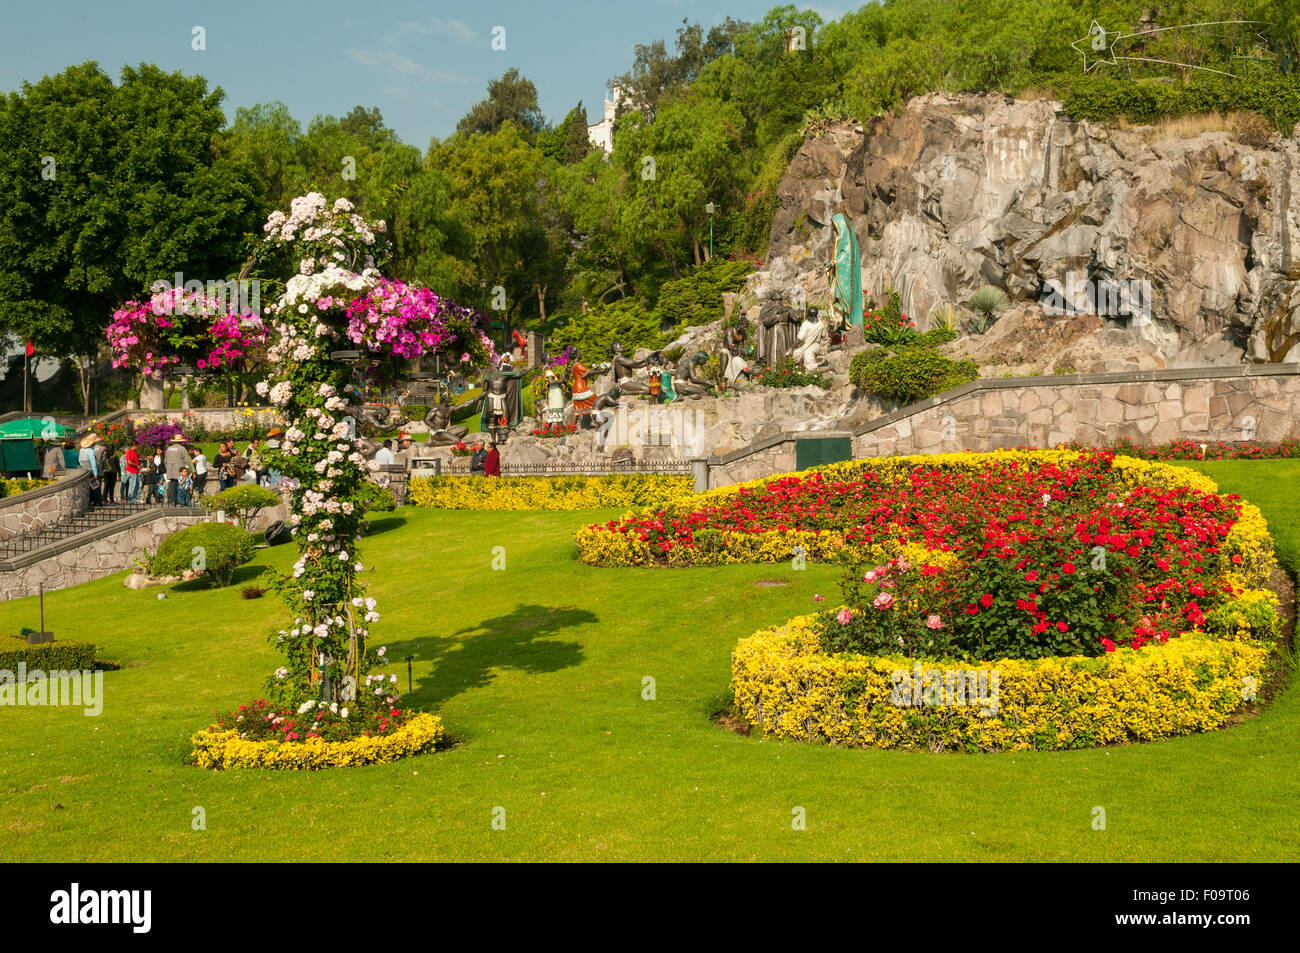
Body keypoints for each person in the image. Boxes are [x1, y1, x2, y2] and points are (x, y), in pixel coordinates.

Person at [164, 434, 188, 505]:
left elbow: (165, 461)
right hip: (179, 470)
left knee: (172, 485)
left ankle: (172, 500)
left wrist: (168, 468)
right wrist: (189, 470)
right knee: (180, 485)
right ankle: (180, 500)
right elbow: (186, 460)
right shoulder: (182, 449)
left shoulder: (168, 449)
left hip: (170, 470)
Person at [78, 434, 102, 505]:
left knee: (87, 487)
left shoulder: (81, 450)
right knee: (95, 487)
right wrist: (95, 473)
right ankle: (97, 501)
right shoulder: (90, 450)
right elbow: (93, 463)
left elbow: (80, 461)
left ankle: (90, 501)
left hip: (84, 471)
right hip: (91, 471)